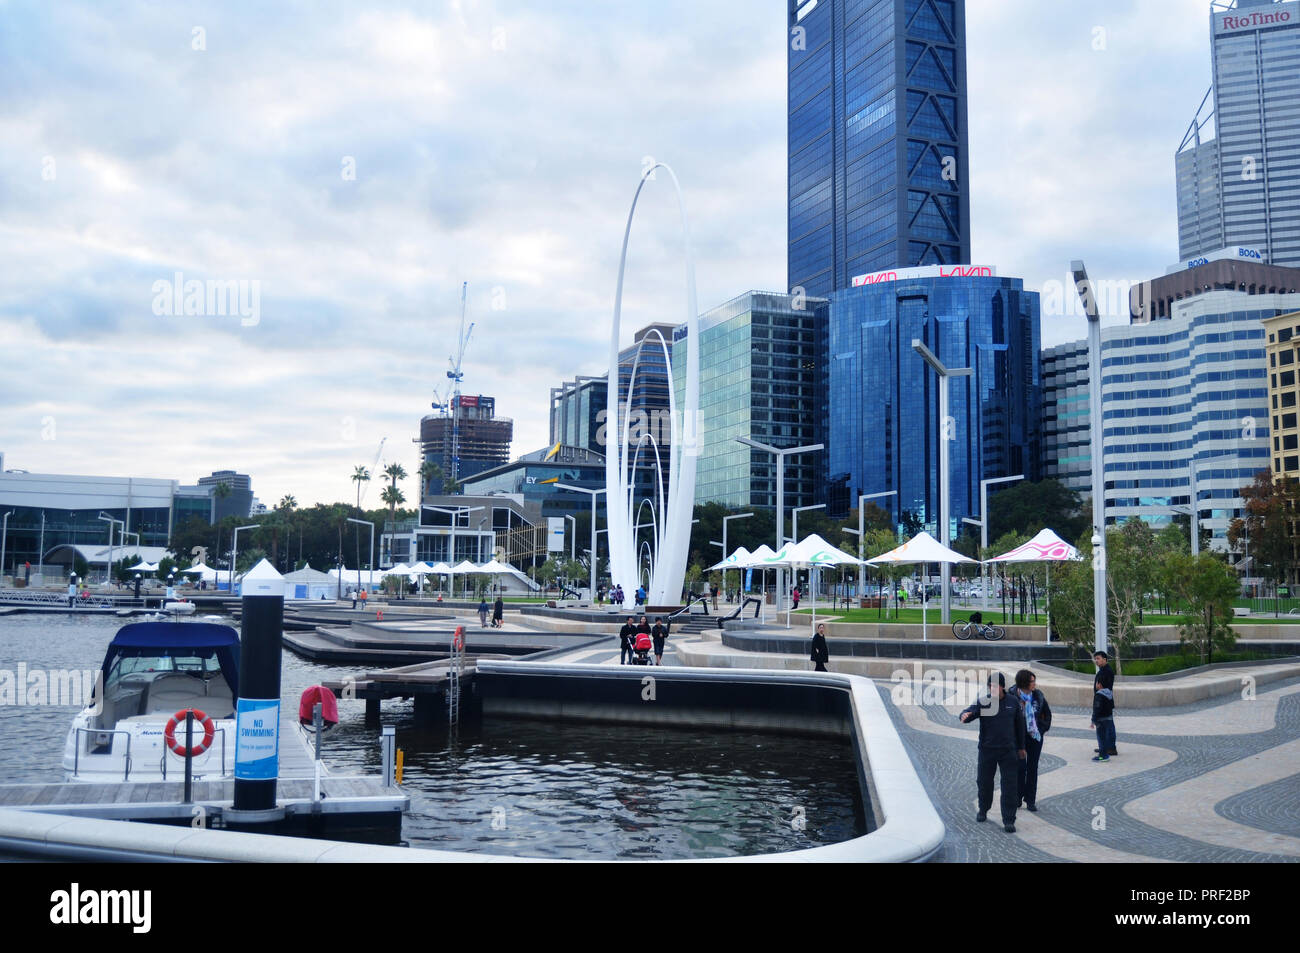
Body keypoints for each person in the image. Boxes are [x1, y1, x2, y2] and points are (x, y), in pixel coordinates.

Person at [958, 672, 1026, 833]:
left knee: (1009, 786)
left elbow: (1020, 727)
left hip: (1008, 751)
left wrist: (1021, 748)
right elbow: (969, 713)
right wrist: (964, 715)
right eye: (990, 686)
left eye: (995, 686)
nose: (993, 688)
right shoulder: (984, 702)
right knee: (984, 782)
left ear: (1002, 686)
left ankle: (1009, 819)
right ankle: (983, 809)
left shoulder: (1013, 702)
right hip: (987, 750)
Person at [1014, 669, 1051, 813]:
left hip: (1035, 738)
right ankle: (1017, 797)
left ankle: (1030, 800)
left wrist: (1040, 729)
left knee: (1032, 768)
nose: (1035, 683)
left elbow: (1047, 715)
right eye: (1032, 681)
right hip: (1019, 739)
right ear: (1024, 682)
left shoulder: (1038, 696)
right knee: (1020, 768)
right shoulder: (1013, 696)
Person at [1091, 651, 1116, 762]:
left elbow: (1103, 689)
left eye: (1098, 658)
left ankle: (1106, 750)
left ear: (1105, 659)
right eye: (1095, 659)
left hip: (1103, 705)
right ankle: (1107, 747)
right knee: (1109, 726)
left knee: (1103, 728)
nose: (1096, 661)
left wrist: (1099, 689)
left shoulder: (1106, 672)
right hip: (1106, 704)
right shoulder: (1104, 671)